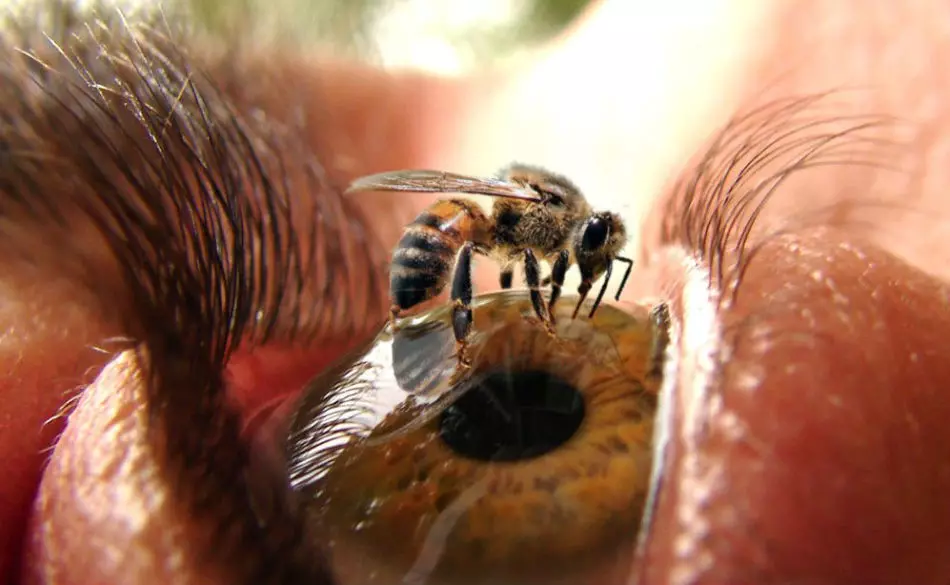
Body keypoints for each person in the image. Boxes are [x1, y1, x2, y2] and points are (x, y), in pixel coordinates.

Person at [4, 0, 950, 583]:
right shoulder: (518, 224)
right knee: (455, 240)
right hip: (450, 249)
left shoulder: (565, 224)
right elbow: (472, 226)